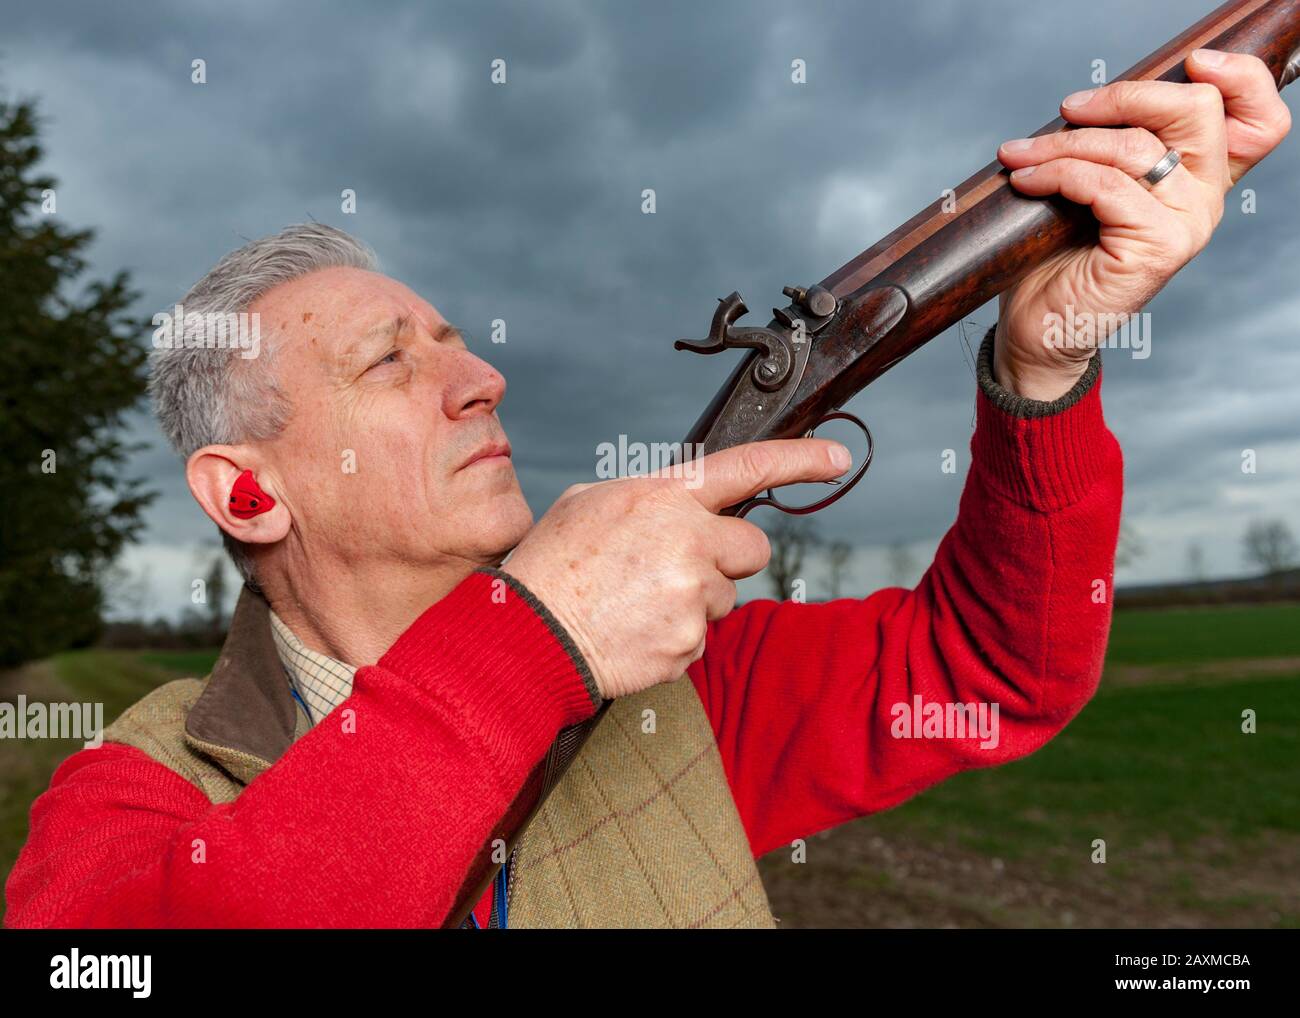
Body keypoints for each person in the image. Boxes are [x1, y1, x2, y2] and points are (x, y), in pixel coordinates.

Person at [5, 50, 1289, 928]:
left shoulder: (681, 688)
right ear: (246, 494)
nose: (483, 377)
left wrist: (1044, 361)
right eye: (390, 361)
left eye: (456, 337)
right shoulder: (132, 792)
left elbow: (989, 675)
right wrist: (529, 641)